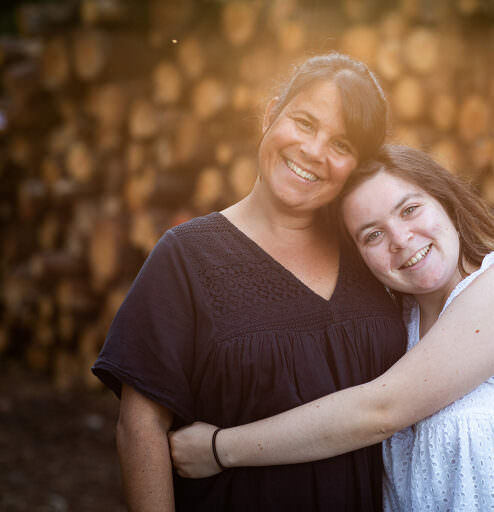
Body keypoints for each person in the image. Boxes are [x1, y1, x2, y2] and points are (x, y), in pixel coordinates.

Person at [168, 145, 494, 511]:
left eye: (409, 210)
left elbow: (379, 411)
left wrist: (218, 449)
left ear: (445, 201)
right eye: (372, 235)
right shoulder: (395, 332)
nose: (401, 239)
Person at [92, 53, 409, 511]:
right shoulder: (186, 256)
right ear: (270, 113)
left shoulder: (371, 252)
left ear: (355, 166)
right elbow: (139, 429)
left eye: (341, 145)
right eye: (304, 122)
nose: (315, 151)